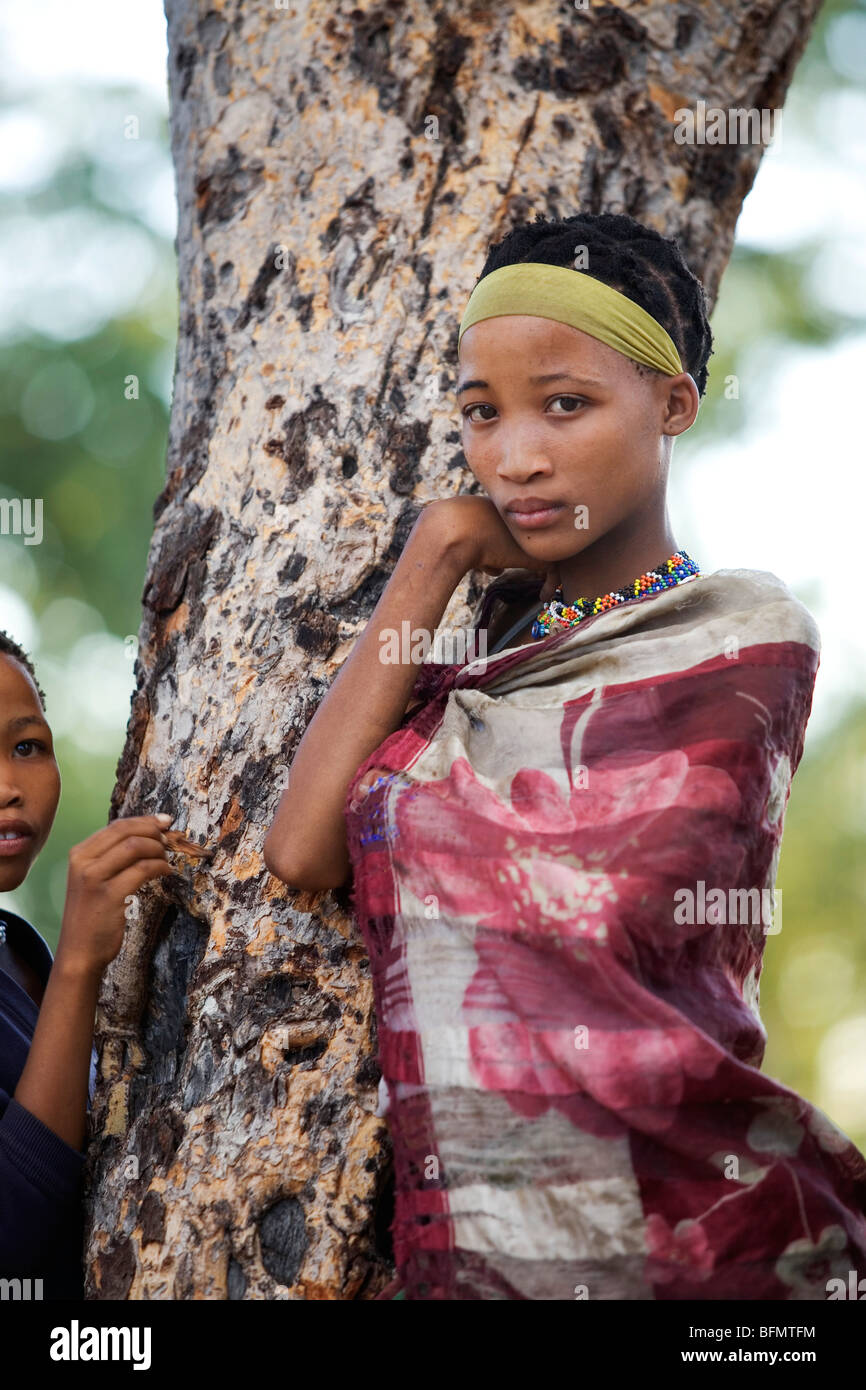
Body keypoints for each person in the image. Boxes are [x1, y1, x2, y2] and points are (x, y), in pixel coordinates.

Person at [264, 211, 866, 1300]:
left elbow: (602, 906)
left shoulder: (741, 638)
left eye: (565, 404)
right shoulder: (477, 647)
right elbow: (303, 848)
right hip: (484, 1249)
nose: (515, 457)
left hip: (702, 1234)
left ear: (673, 404)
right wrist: (436, 549)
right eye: (480, 415)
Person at [0, 631, 176, 1297]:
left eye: (26, 747)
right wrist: (80, 963)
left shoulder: (18, 951)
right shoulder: (57, 962)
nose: (9, 787)